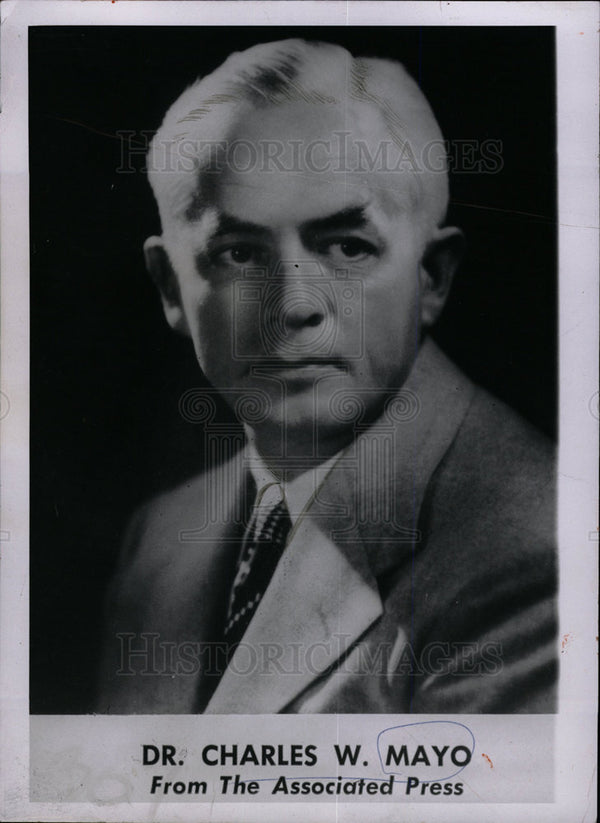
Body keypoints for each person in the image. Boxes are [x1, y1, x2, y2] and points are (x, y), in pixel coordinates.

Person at [96, 39, 557, 714]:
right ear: (170, 287)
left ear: (433, 276)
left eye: (347, 246)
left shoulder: (539, 550)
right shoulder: (162, 535)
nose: (293, 304)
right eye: (238, 253)